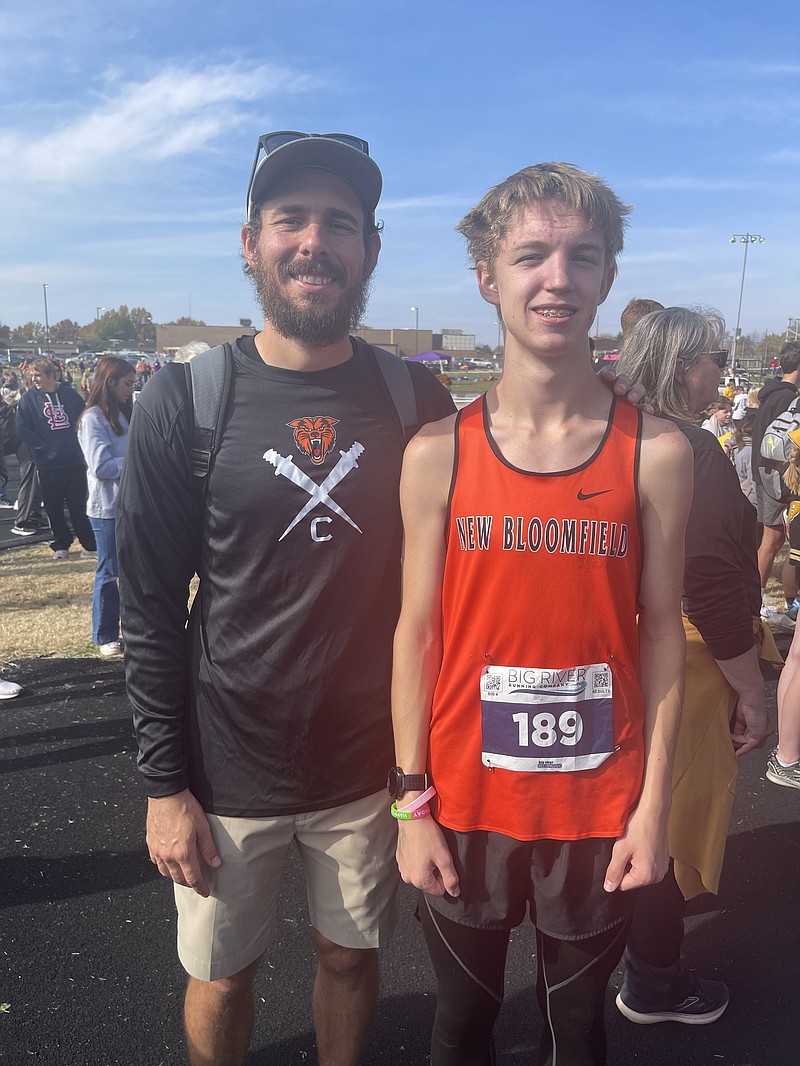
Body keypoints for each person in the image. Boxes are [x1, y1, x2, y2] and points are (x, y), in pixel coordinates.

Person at [116, 131, 456, 1066]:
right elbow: (146, 604)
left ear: (371, 249)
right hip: (227, 771)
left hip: (368, 770)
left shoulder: (417, 403)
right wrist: (162, 785)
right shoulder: (186, 399)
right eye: (290, 220)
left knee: (349, 963)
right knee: (222, 978)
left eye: (339, 223)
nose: (315, 241)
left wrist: (419, 776)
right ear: (250, 240)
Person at [391, 162, 692, 1066]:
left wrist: (655, 810)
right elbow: (415, 633)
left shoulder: (660, 453)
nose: (556, 279)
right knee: (462, 1031)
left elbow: (662, 636)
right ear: (488, 277)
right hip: (465, 803)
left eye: (582, 257)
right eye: (530, 256)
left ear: (606, 278)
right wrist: (410, 803)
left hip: (597, 808)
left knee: (580, 1033)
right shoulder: (437, 452)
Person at [615, 306, 774, 1026]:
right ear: (684, 366)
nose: (721, 368)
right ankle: (654, 977)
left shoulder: (605, 433)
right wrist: (753, 690)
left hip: (610, 652)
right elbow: (708, 580)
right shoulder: (690, 449)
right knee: (668, 817)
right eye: (714, 356)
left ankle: (616, 958)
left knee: (620, 807)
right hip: (686, 657)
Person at [77, 357, 136, 656]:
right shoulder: (93, 418)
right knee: (109, 570)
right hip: (105, 508)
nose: (131, 390)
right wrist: (137, 462)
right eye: (127, 384)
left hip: (124, 504)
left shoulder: (120, 414)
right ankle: (104, 634)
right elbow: (100, 466)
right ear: (110, 382)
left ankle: (125, 628)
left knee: (126, 570)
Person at [15, 359, 96, 560]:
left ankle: (88, 544)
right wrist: (44, 447)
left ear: (53, 376)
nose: (34, 379)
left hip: (74, 461)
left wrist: (80, 445)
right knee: (53, 506)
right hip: (48, 464)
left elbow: (83, 418)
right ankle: (61, 543)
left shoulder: (69, 395)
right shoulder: (28, 399)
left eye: (39, 375)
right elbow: (23, 429)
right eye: (32, 376)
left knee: (78, 506)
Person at [751, 341, 800, 615]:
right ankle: (756, 603)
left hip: (765, 473)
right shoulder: (788, 398)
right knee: (772, 543)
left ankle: (757, 600)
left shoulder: (770, 393)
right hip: (779, 478)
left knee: (771, 541)